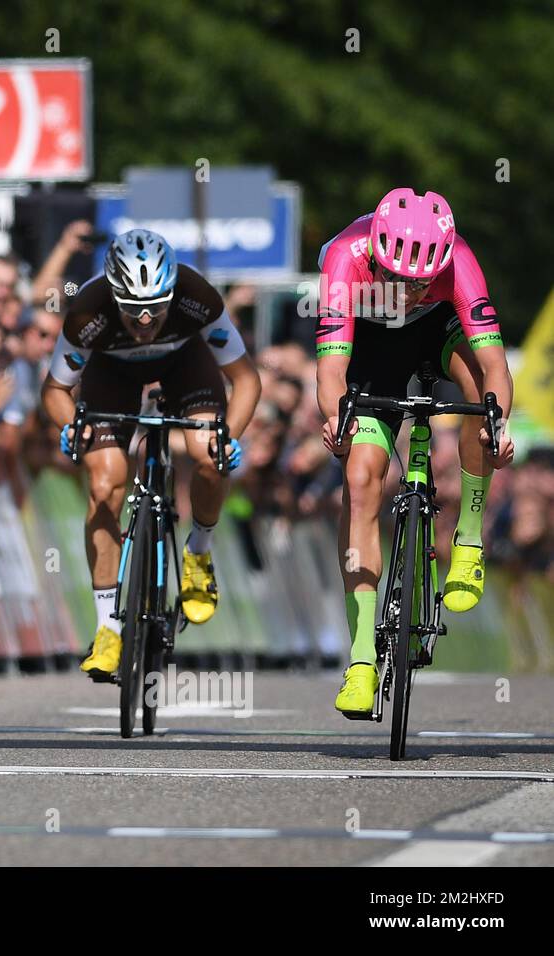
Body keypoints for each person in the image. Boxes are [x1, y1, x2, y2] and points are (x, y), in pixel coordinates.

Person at [315, 189, 516, 717]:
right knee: (360, 481)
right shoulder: (345, 257)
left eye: (419, 281)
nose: (405, 291)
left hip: (437, 332)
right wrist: (339, 417)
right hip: (371, 347)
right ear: (375, 256)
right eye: (394, 278)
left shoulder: (461, 262)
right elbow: (332, 369)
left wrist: (500, 422)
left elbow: (496, 365)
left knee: (480, 394)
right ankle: (361, 661)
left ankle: (468, 538)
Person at [41, 229, 261, 679]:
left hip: (186, 365)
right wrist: (70, 426)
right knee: (104, 483)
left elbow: (247, 380)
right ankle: (107, 629)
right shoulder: (88, 310)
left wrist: (229, 436)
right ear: (113, 297)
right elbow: (56, 389)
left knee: (207, 453)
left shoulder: (197, 296)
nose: (144, 321)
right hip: (112, 373)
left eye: (156, 308)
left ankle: (198, 553)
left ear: (172, 293)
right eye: (133, 310)